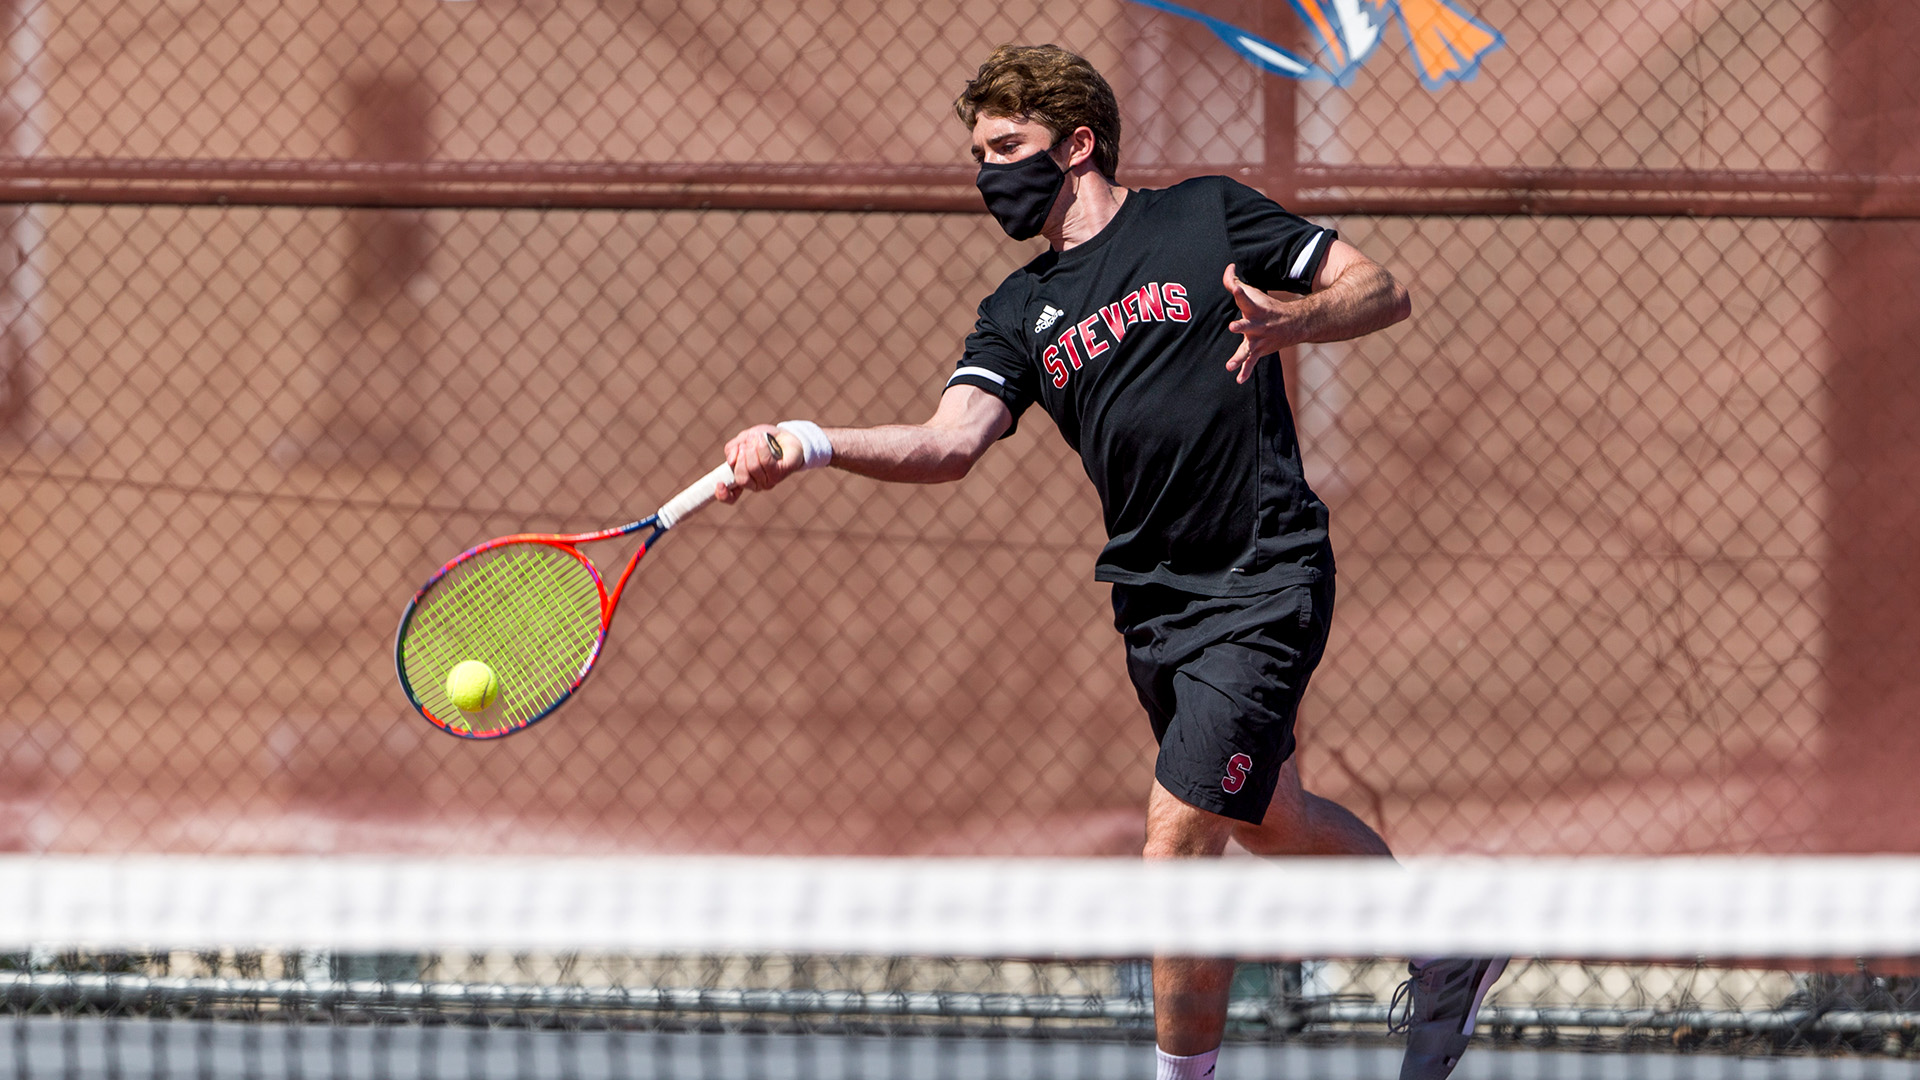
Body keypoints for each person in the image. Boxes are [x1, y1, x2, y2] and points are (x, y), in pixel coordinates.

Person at [714, 43, 1504, 1080]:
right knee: (1271, 817)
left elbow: (1380, 289)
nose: (987, 170)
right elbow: (949, 443)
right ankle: (1448, 942)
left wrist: (1291, 322)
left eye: (1006, 146)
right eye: (977, 152)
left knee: (1177, 839)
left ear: (1076, 144)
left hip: (1264, 573)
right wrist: (809, 443)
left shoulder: (1207, 215)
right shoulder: (1018, 309)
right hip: (1155, 608)